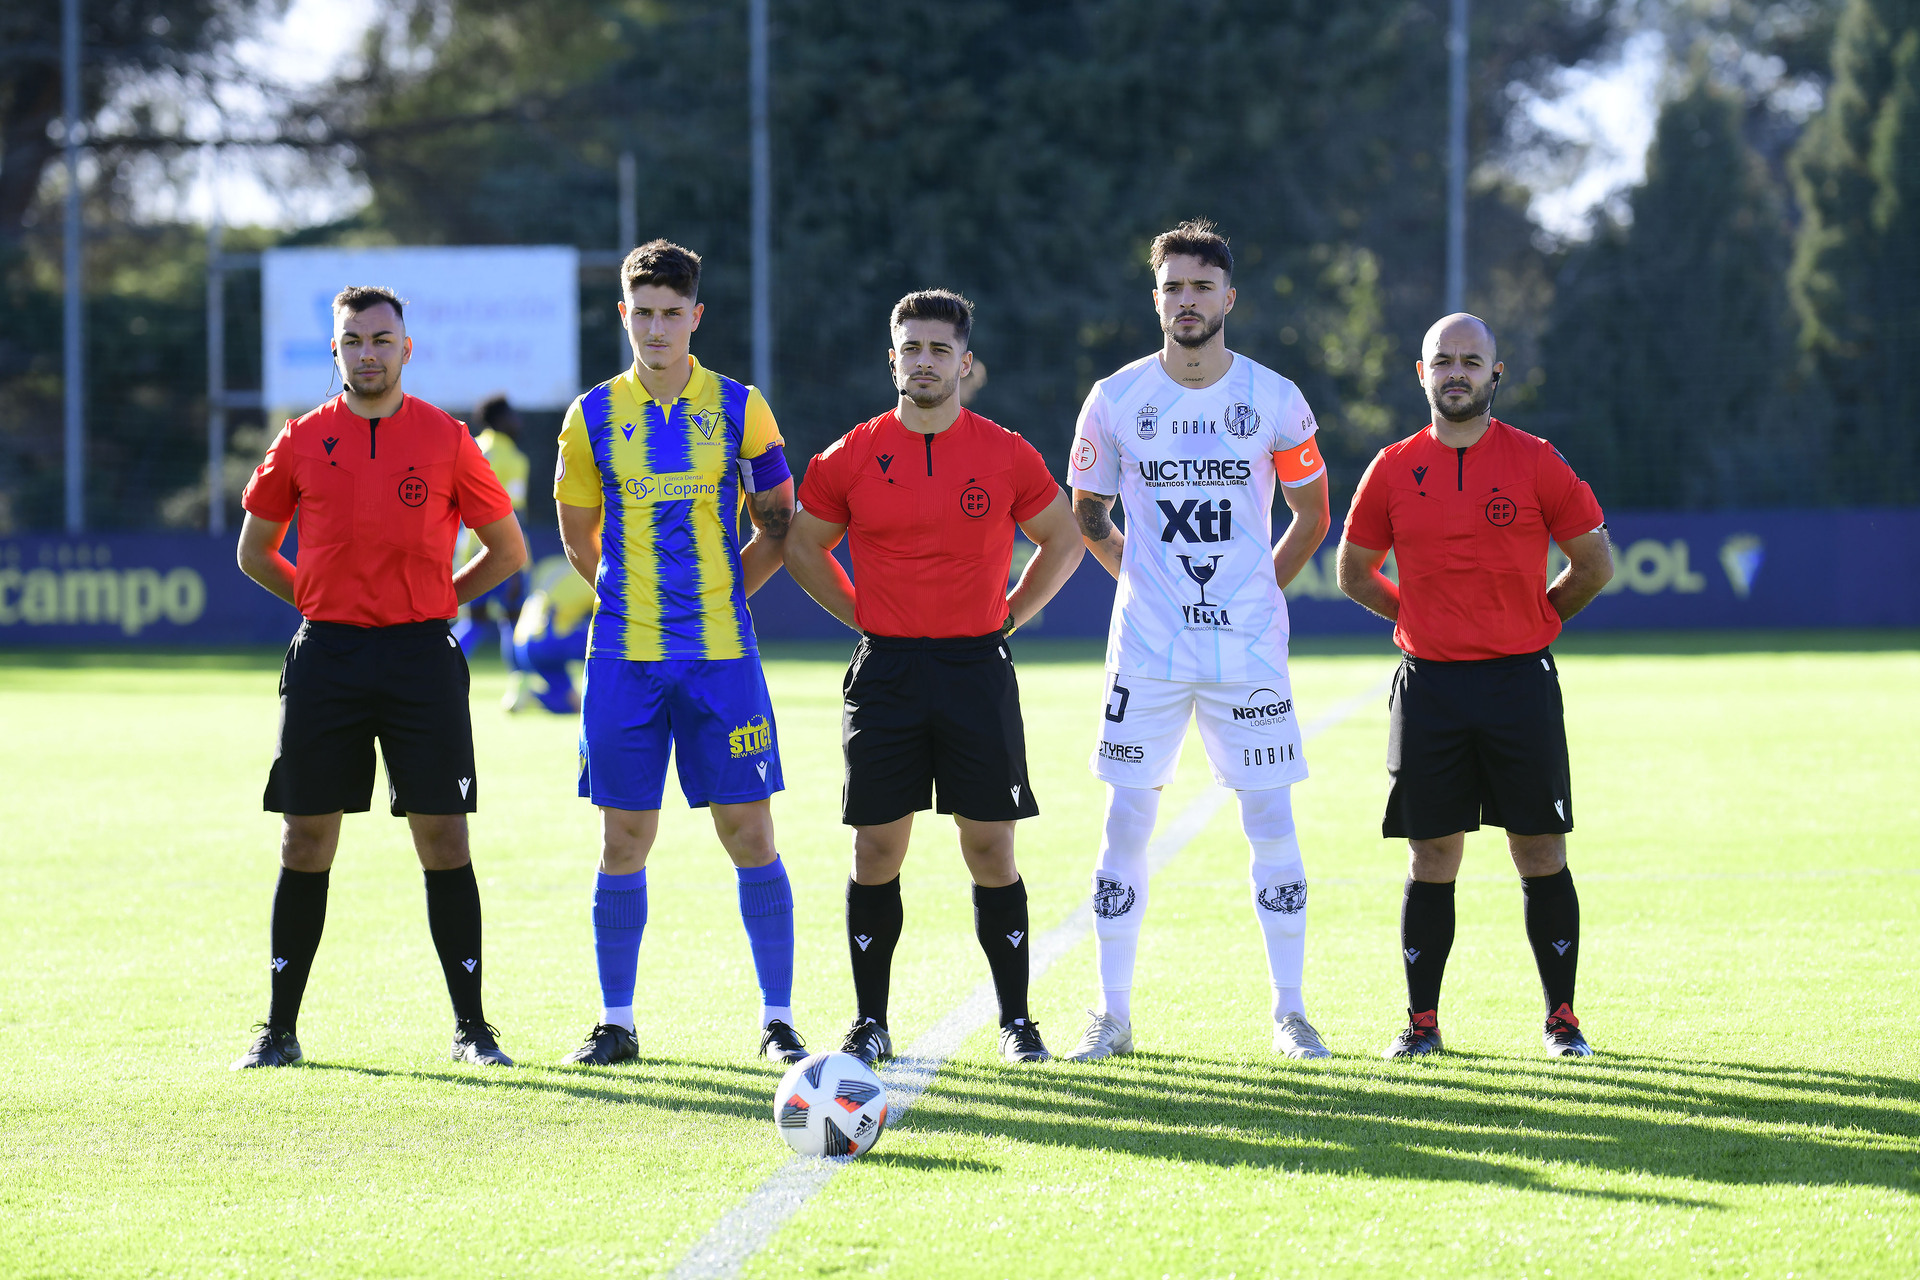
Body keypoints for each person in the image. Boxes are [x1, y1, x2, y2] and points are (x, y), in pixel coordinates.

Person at [230, 285, 529, 1070]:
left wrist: (436, 605)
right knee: (305, 839)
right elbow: (254, 550)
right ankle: (278, 1030)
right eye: (353, 340)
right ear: (336, 351)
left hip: (420, 659)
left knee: (444, 836)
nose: (369, 352)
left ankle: (473, 1030)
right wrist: (322, 603)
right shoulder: (299, 440)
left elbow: (507, 552)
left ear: (406, 348)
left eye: (382, 339)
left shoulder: (447, 438)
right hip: (327, 657)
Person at [785, 289, 1083, 1066]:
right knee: (877, 851)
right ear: (893, 359)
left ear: (965, 363)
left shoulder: (1006, 452)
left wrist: (1012, 613)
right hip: (886, 671)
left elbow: (1062, 539)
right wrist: (860, 614)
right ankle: (869, 1022)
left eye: (939, 350)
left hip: (975, 668)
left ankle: (1017, 1021)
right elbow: (803, 547)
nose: (925, 361)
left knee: (990, 848)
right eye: (911, 348)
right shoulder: (849, 454)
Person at [1062, 219, 1334, 1063]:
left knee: (1272, 821)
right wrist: (1139, 581)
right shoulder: (1116, 398)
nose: (1187, 301)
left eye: (1201, 288)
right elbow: (1088, 511)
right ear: (1157, 299)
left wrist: (1259, 591)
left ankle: (1290, 1013)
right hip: (1148, 649)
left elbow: (1313, 514)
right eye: (1173, 288)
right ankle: (1111, 1015)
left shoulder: (1275, 397)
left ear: (1228, 299)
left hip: (1245, 651)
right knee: (1125, 825)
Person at [553, 239, 805, 1067]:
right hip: (624, 659)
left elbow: (778, 521)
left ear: (695, 317)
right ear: (623, 314)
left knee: (749, 833)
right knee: (623, 838)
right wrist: (627, 597)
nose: (656, 328)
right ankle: (616, 1021)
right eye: (643, 313)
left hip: (722, 658)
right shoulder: (590, 416)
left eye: (672, 313)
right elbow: (578, 532)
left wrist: (726, 594)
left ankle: (777, 1020)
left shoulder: (742, 407)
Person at [1336, 312, 1614, 1059]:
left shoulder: (1536, 461)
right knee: (1431, 857)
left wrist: (1536, 618)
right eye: (1442, 360)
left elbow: (1593, 563)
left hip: (1520, 684)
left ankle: (1563, 1021)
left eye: (1471, 360)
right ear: (1420, 373)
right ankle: (1422, 1025)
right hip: (1430, 687)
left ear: (1496, 374)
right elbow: (1354, 571)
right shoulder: (1392, 467)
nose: (1455, 372)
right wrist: (1420, 617)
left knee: (1541, 852)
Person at [453, 395, 532, 703]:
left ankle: (429, 671)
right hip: (501, 552)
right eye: (513, 416)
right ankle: (518, 691)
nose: (519, 422)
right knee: (514, 621)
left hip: (467, 551)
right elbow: (515, 512)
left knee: (474, 622)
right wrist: (517, 563)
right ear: (500, 420)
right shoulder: (514, 458)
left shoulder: (469, 447)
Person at [506, 555, 594, 714]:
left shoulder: (554, 567)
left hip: (522, 644)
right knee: (608, 644)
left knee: (572, 705)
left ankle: (531, 695)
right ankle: (618, 694)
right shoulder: (592, 574)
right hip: (548, 640)